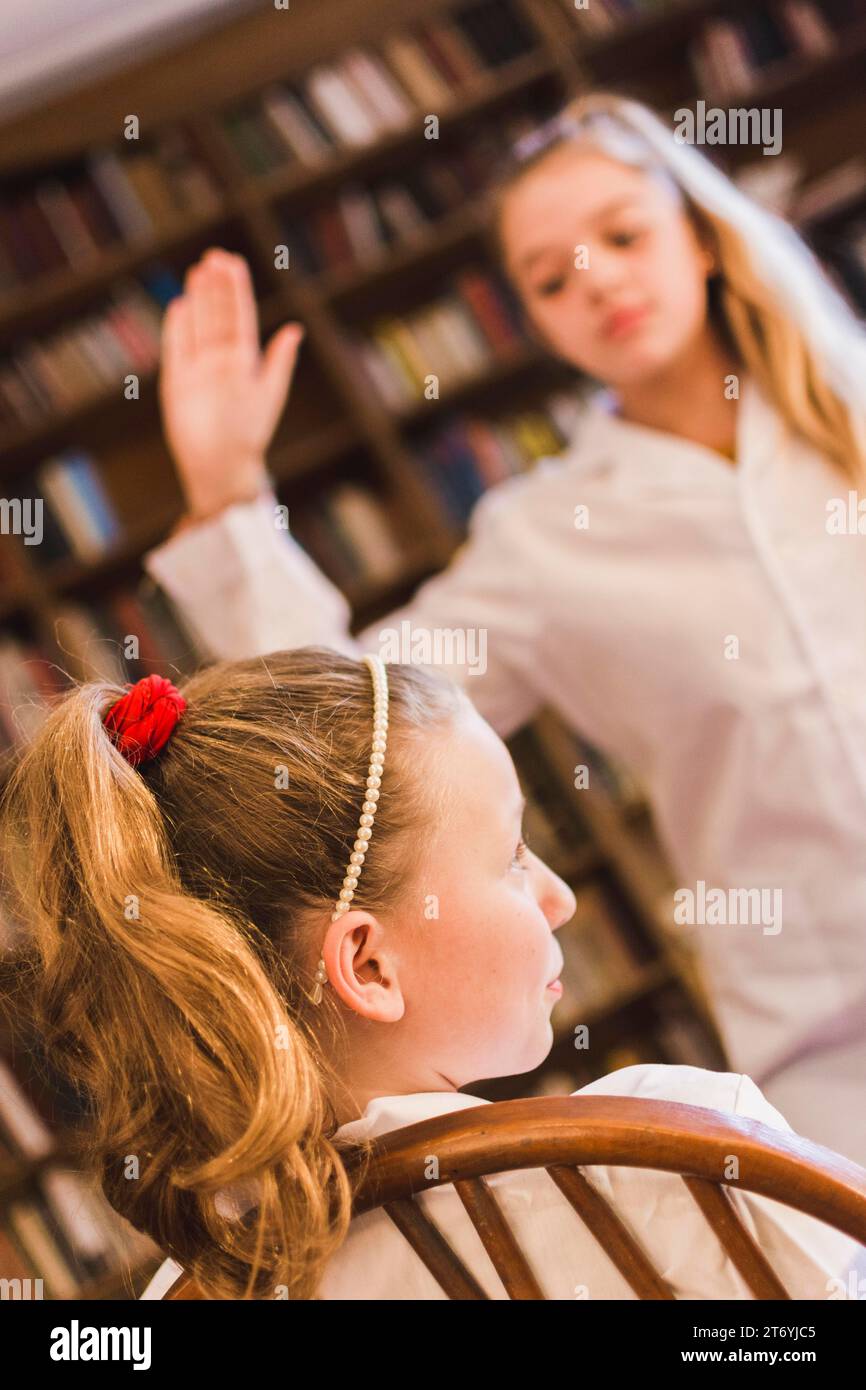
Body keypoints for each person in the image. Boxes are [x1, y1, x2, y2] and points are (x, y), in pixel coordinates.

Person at [143, 91, 866, 1166]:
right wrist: (227, 496)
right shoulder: (544, 538)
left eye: (620, 235)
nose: (597, 280)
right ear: (533, 319)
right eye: (550, 275)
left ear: (700, 236)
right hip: (824, 1035)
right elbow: (362, 710)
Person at [1, 652, 861, 1300]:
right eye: (515, 856)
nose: (560, 897)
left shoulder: (193, 1295)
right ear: (369, 966)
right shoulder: (681, 1159)